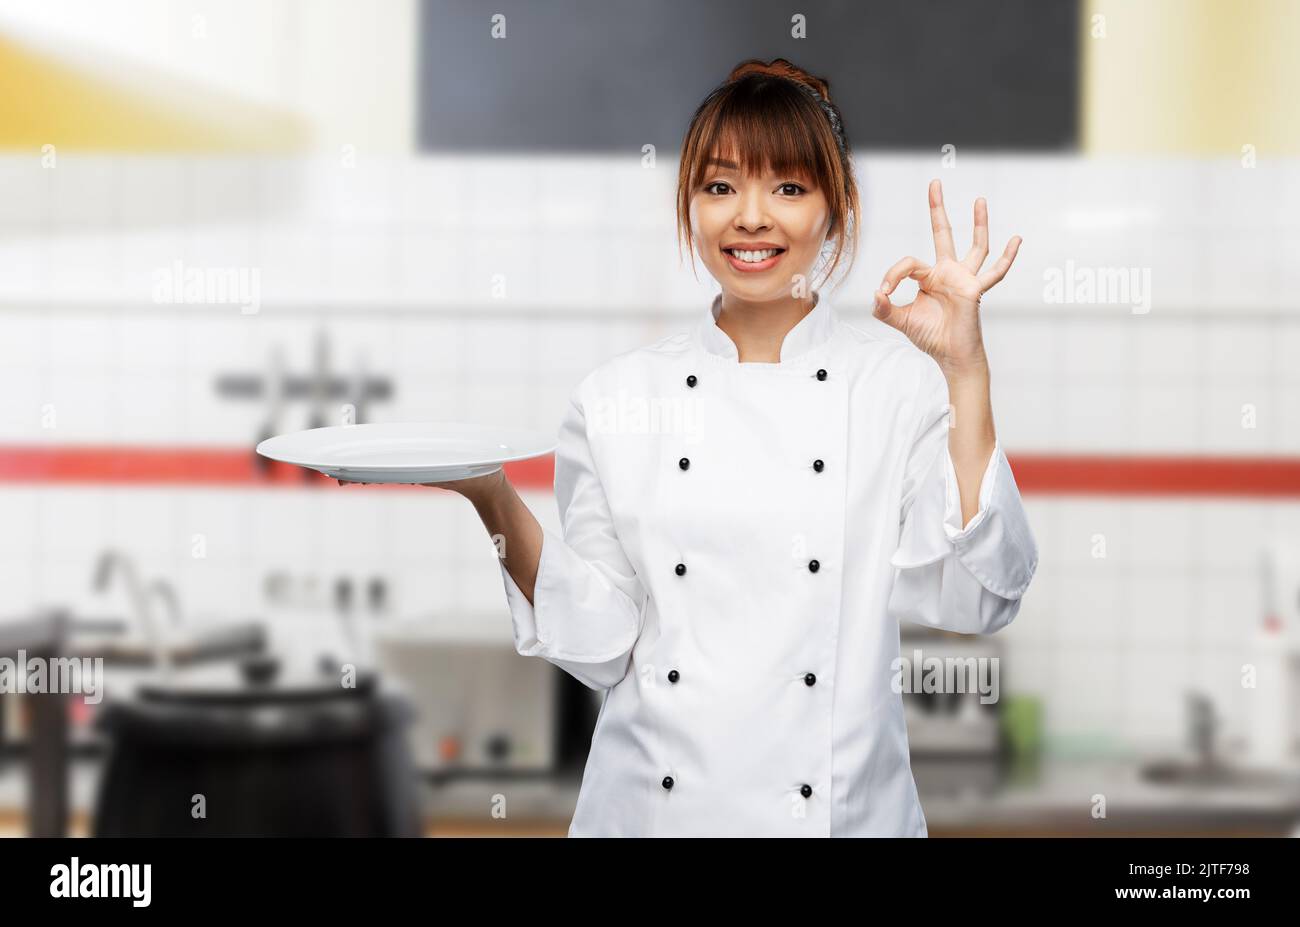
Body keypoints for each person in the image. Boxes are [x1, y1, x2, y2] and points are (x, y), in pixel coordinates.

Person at [399, 57, 1036, 836]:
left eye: (789, 188)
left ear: (836, 210)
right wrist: (491, 495)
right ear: (690, 205)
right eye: (720, 186)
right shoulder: (617, 398)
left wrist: (966, 372)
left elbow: (978, 599)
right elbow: (599, 644)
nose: (751, 217)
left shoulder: (895, 391)